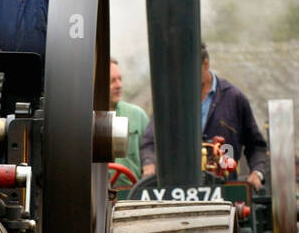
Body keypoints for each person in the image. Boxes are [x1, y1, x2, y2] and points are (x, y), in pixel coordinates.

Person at [141, 43, 268, 187]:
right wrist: (149, 164)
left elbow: (256, 145)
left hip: (224, 191)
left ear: (205, 64)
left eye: (188, 71)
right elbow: (149, 142)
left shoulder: (234, 98)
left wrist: (257, 173)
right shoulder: (169, 100)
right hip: (178, 189)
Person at [110, 58, 148, 181]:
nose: (119, 85)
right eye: (112, 81)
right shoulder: (84, 119)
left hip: (131, 195)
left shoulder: (138, 115)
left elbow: (151, 150)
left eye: (120, 79)